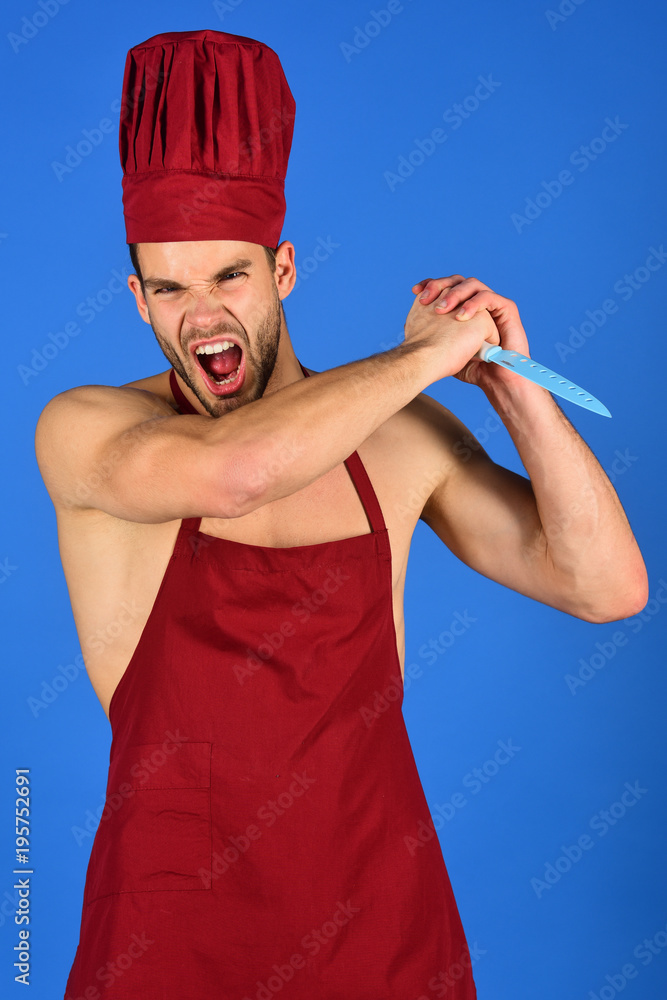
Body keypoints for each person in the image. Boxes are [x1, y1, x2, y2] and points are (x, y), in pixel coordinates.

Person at [35, 29, 647, 1000]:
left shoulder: (398, 438)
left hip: (385, 942)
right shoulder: (89, 431)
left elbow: (606, 585)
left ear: (282, 268)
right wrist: (422, 359)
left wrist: (509, 387)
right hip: (166, 950)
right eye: (167, 287)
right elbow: (236, 474)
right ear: (136, 299)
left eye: (228, 276)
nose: (200, 317)